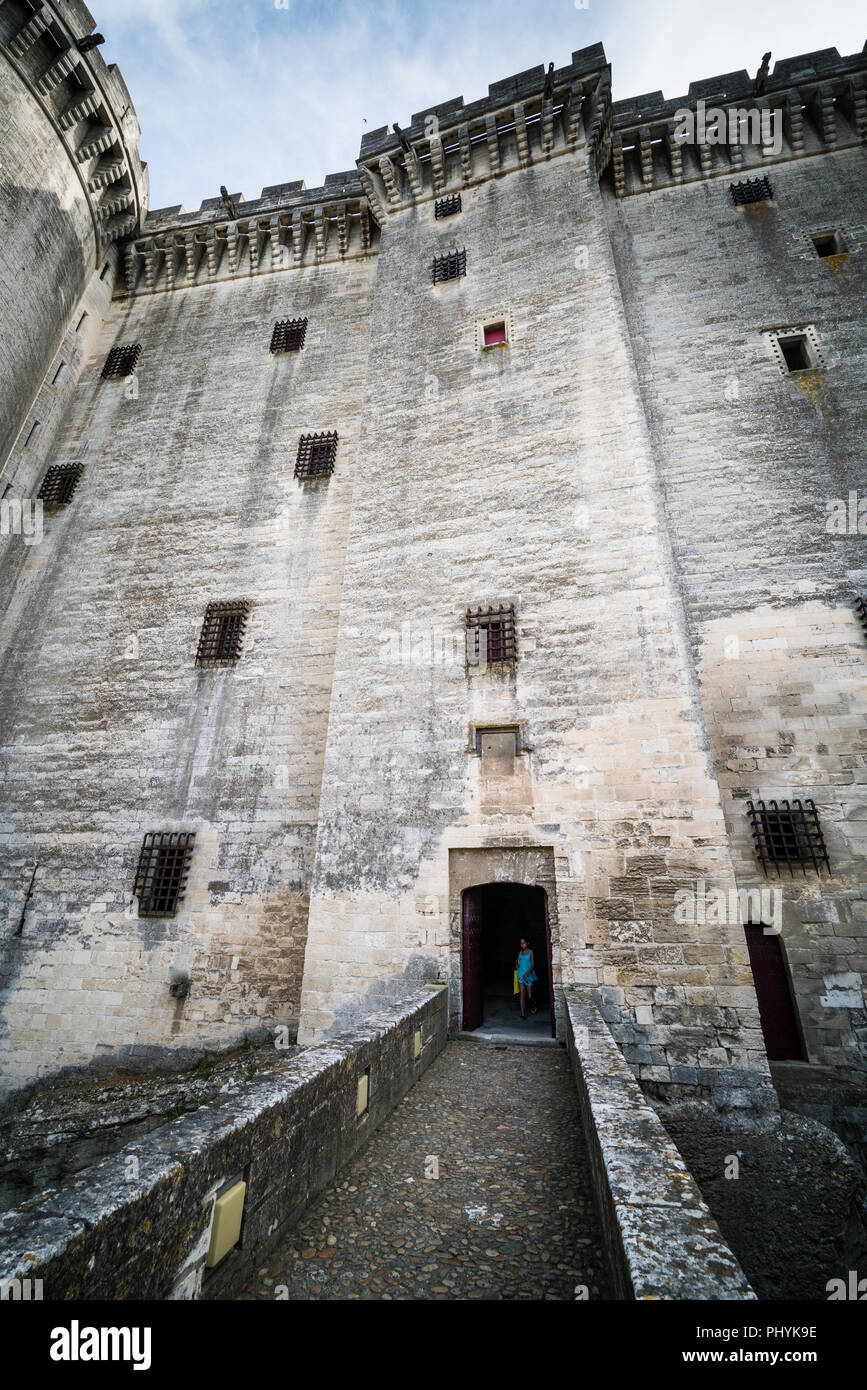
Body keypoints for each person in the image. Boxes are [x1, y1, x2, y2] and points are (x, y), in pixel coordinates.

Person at [516, 937, 538, 1019]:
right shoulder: (520, 952)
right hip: (521, 975)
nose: (522, 945)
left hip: (528, 975)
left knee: (529, 995)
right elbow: (518, 963)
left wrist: (527, 973)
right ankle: (522, 1014)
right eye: (521, 943)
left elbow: (532, 965)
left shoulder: (531, 952)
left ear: (527, 943)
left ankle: (533, 1004)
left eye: (524, 943)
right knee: (522, 994)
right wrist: (517, 965)